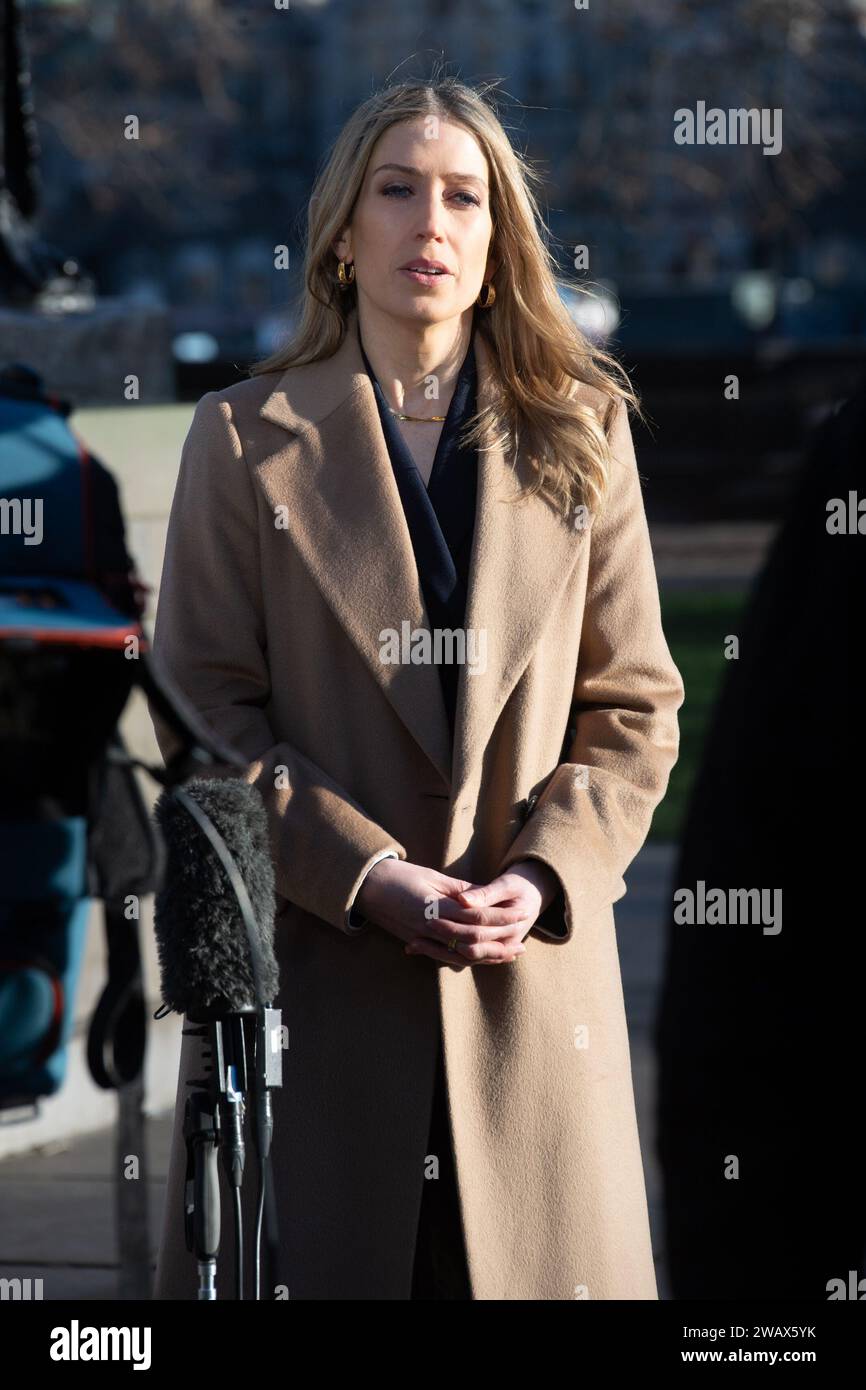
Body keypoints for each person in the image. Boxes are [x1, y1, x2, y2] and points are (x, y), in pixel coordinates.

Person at [149, 74, 684, 1301]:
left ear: (497, 248)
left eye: (462, 196)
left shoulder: (583, 432)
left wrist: (544, 873)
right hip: (320, 995)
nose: (427, 222)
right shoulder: (241, 437)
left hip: (533, 1006)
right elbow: (202, 713)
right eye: (396, 190)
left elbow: (635, 705)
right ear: (344, 232)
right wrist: (364, 871)